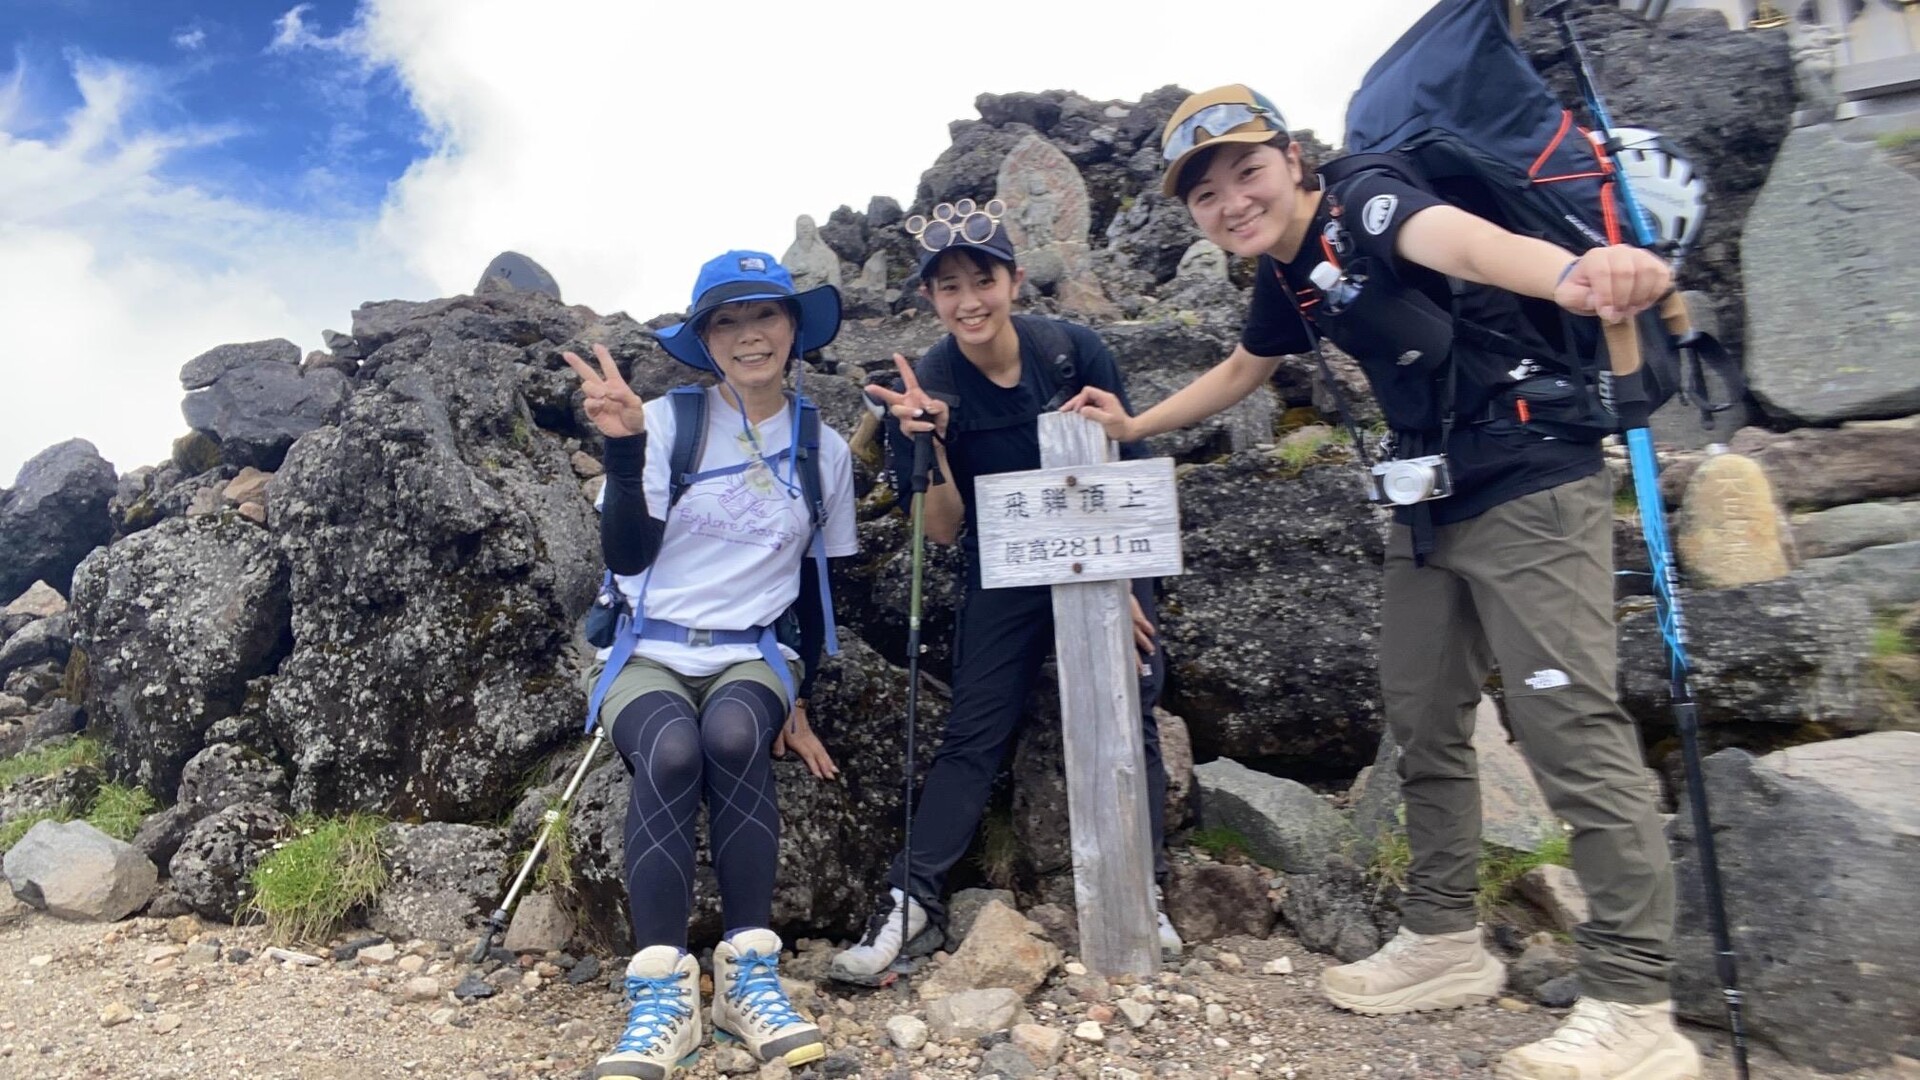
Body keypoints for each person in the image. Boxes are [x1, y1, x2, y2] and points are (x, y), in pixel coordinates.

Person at [1061, 86, 1700, 1080]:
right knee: (1421, 717)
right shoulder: (1287, 271)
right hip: (1430, 500)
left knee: (1571, 729)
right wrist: (1135, 427)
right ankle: (1444, 940)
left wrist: (1577, 276)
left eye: (1248, 171)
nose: (1232, 201)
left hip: (1532, 483)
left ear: (1293, 158)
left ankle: (1634, 1002)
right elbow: (1243, 370)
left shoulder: (1370, 203)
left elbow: (1468, 247)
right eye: (1206, 193)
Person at [828, 197, 1182, 986]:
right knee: (974, 728)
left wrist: (1122, 585)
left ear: (1015, 281)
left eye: (982, 280)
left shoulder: (1075, 353)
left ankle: (1142, 887)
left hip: (1100, 553)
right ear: (929, 296)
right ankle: (911, 899)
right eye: (949, 286)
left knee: (1133, 694)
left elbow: (1130, 475)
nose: (969, 301)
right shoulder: (925, 386)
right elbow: (944, 528)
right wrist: (927, 443)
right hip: (1005, 565)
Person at [563, 250, 858, 1079]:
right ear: (704, 339)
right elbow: (626, 552)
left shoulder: (823, 449)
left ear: (794, 327)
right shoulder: (664, 422)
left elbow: (817, 591)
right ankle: (662, 992)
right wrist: (624, 448)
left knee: (732, 736)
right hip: (645, 648)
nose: (748, 335)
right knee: (670, 751)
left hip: (753, 654)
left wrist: (798, 702)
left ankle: (748, 981)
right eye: (725, 321)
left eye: (764, 315)